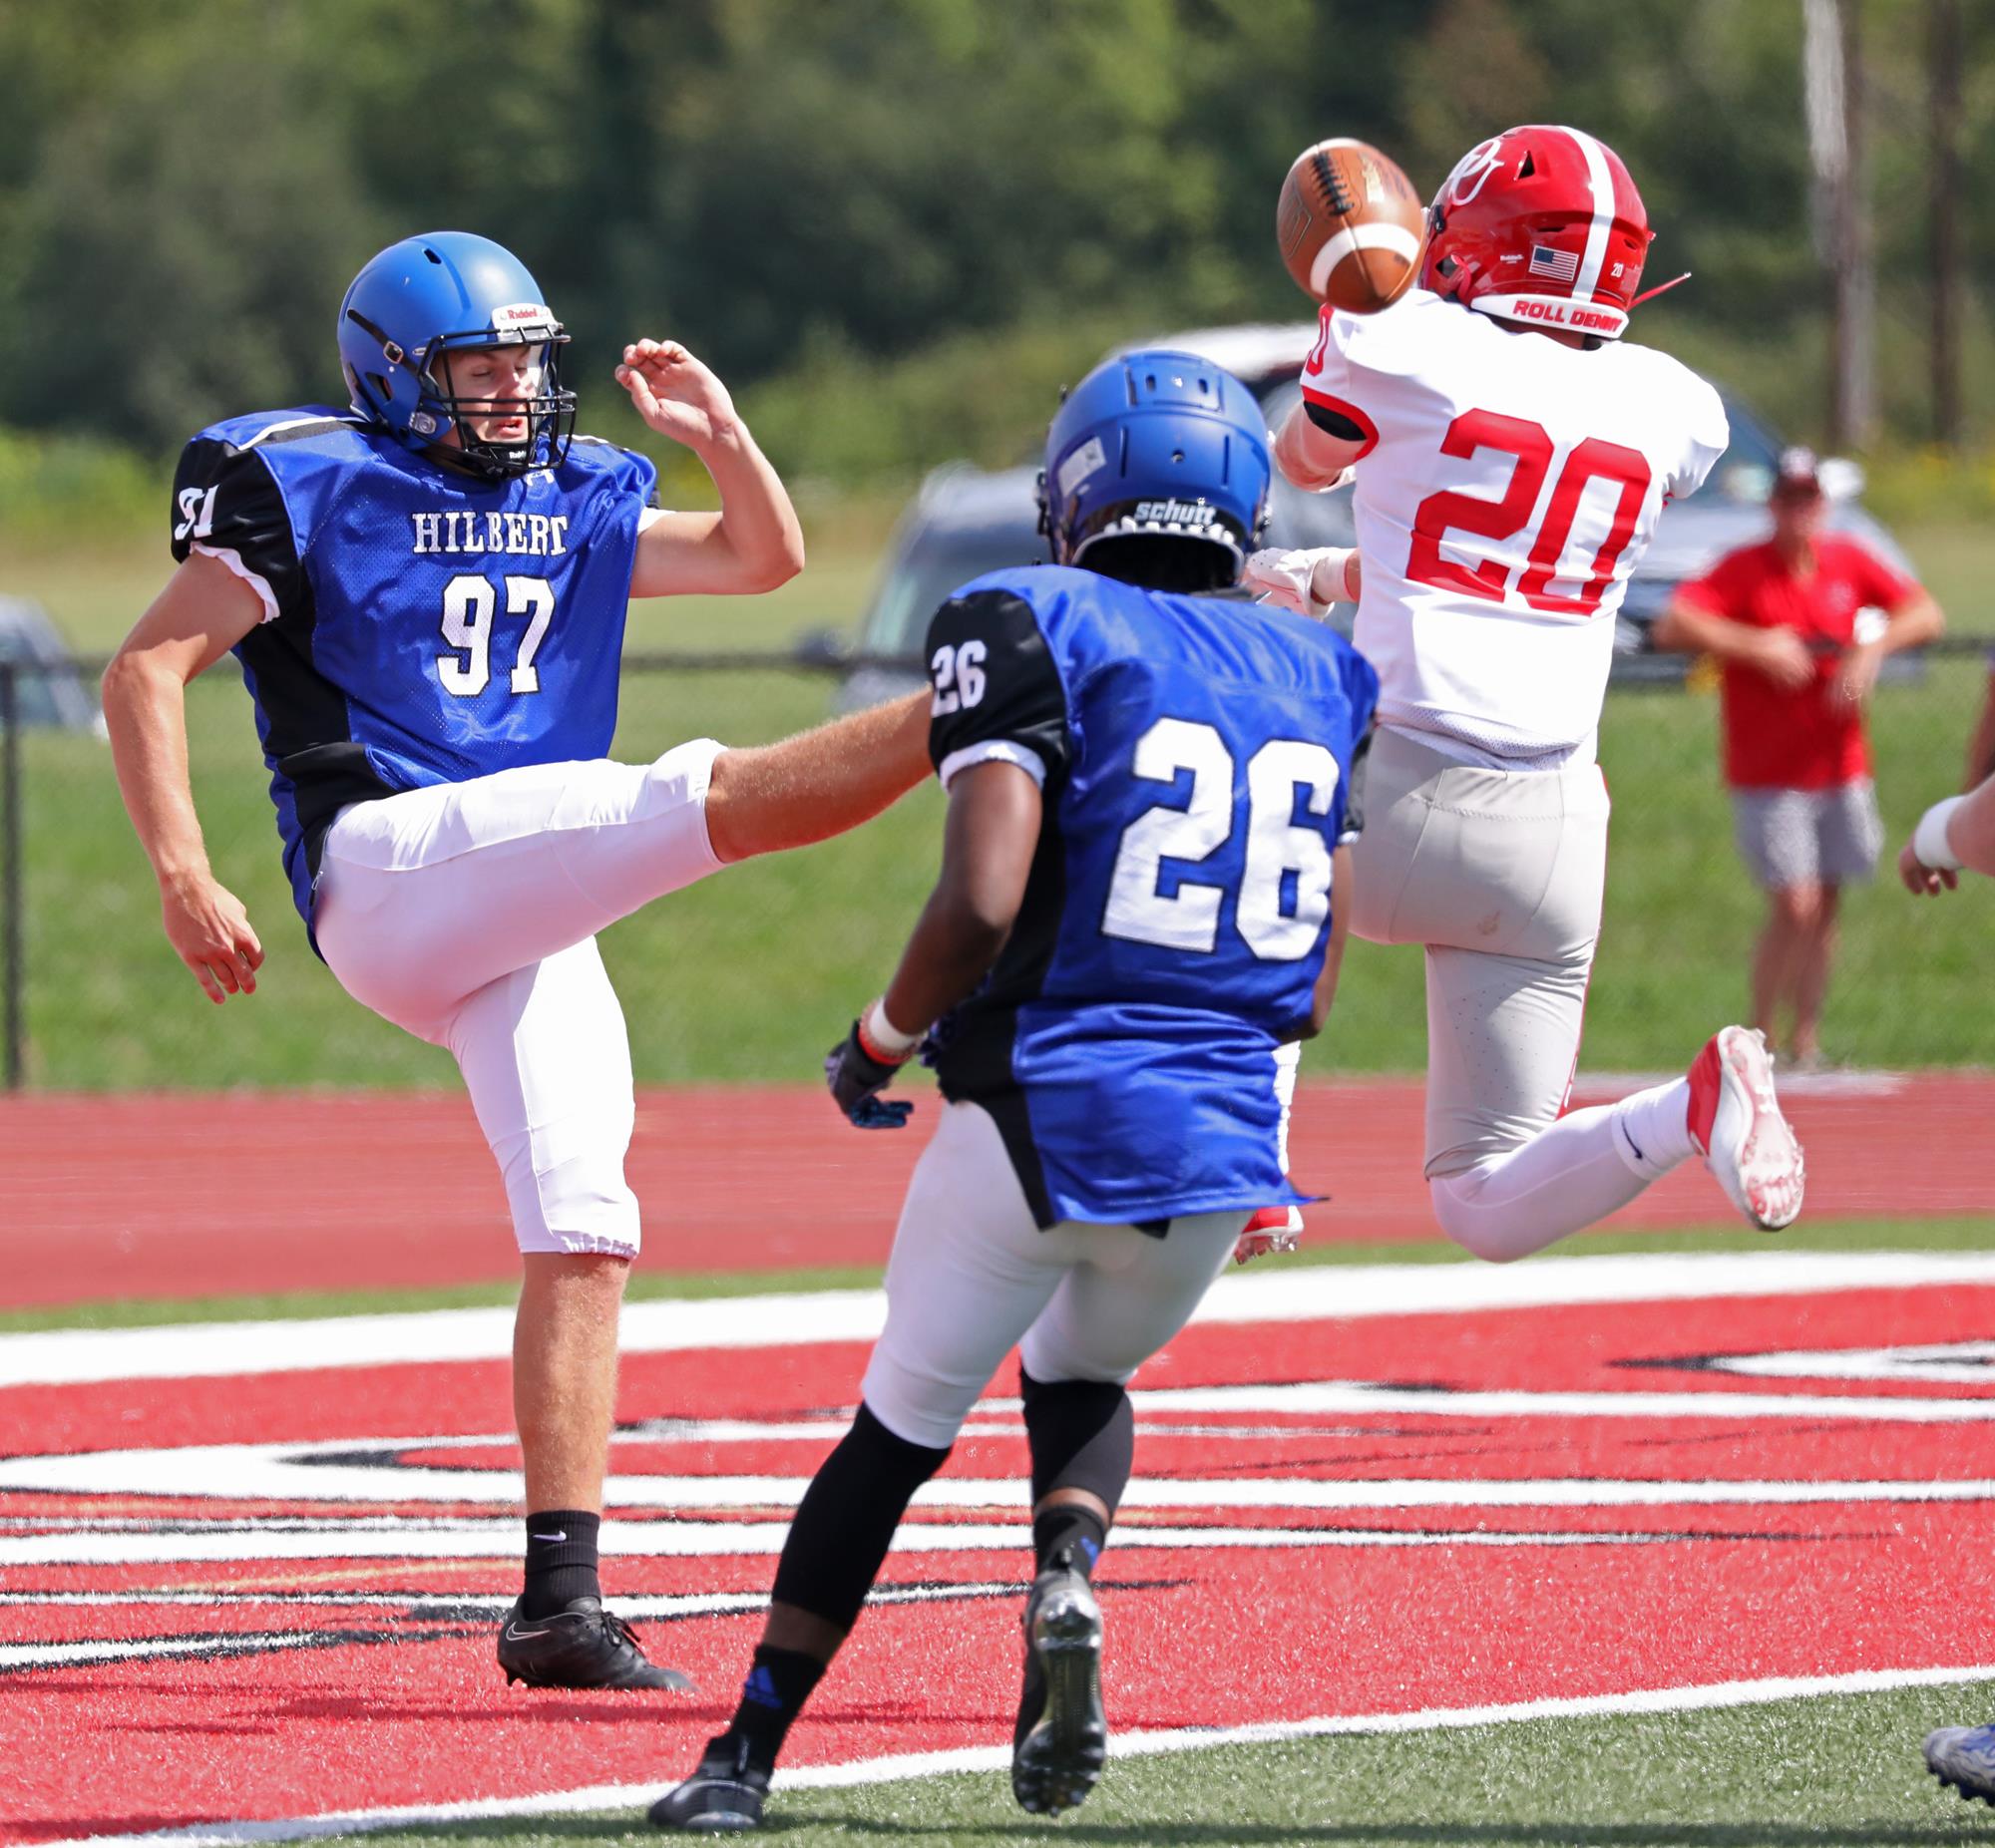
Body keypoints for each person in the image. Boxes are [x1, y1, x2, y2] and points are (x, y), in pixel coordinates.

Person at [101, 232, 933, 1691]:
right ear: (392, 377)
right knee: (688, 794)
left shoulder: (576, 489)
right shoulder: (313, 481)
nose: (509, 392)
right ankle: (971, 707)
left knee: (588, 1220)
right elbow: (145, 664)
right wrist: (183, 868)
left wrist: (725, 435)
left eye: (523, 364)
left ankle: (559, 1598)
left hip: (523, 901)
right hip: (393, 872)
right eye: (477, 368)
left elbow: (765, 557)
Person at [648, 350, 1378, 1830]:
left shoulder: (1026, 617)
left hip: (1042, 1111)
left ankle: (741, 1762)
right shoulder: (1325, 667)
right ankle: (1064, 1570)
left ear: (1080, 488)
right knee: (1083, 1374)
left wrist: (876, 1036)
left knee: (894, 1435)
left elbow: (981, 901)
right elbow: (1310, 974)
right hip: (1220, 1150)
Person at [1247, 124, 1805, 1264]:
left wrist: (1348, 299)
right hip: (1549, 829)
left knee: (1231, 818)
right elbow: (1502, 558)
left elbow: (1303, 462)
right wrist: (1330, 575)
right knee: (1481, 1196)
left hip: (1398, 789)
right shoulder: (1672, 404)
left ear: (1472, 239)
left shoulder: (1400, 342)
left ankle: (1246, 1153)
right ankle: (1682, 1106)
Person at [1651, 447, 1944, 1065]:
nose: (1799, 511)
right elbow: (1673, 624)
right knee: (1794, 900)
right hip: (1769, 771)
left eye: (1809, 499)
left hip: (1839, 765)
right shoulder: (1744, 569)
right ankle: (1759, 1034)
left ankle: (1805, 1039)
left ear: (1824, 505)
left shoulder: (1849, 562)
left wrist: (1872, 650)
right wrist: (1755, 645)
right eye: (1788, 499)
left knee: (1827, 898)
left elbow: (1925, 612)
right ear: (1772, 505)